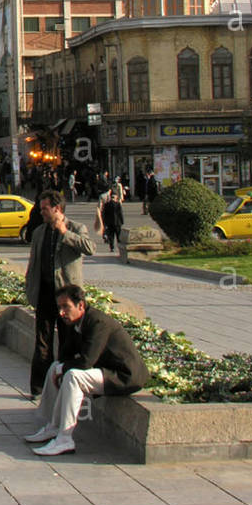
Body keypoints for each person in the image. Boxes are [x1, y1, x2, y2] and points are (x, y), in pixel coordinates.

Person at [24, 285, 148, 456]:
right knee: (54, 367)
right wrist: (59, 366)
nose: (61, 312)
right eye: (59, 307)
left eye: (66, 307)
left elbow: (87, 361)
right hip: (104, 370)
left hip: (123, 375)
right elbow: (65, 355)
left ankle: (65, 439)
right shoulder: (76, 322)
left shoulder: (98, 322)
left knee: (73, 376)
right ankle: (53, 426)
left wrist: (63, 368)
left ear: (80, 305)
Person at [24, 189, 96, 397]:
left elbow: (90, 248)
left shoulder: (76, 227)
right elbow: (33, 263)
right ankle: (39, 389)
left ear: (57, 209)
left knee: (68, 343)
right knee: (42, 343)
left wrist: (65, 233)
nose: (42, 212)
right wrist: (30, 288)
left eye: (45, 209)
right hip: (45, 295)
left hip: (67, 298)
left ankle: (66, 386)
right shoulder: (40, 232)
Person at [97, 180, 124, 253]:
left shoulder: (107, 204)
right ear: (115, 197)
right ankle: (119, 247)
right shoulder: (118, 204)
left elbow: (105, 214)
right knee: (118, 236)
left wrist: (105, 223)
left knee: (111, 236)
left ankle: (111, 247)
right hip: (117, 223)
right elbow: (120, 214)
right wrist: (122, 221)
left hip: (109, 223)